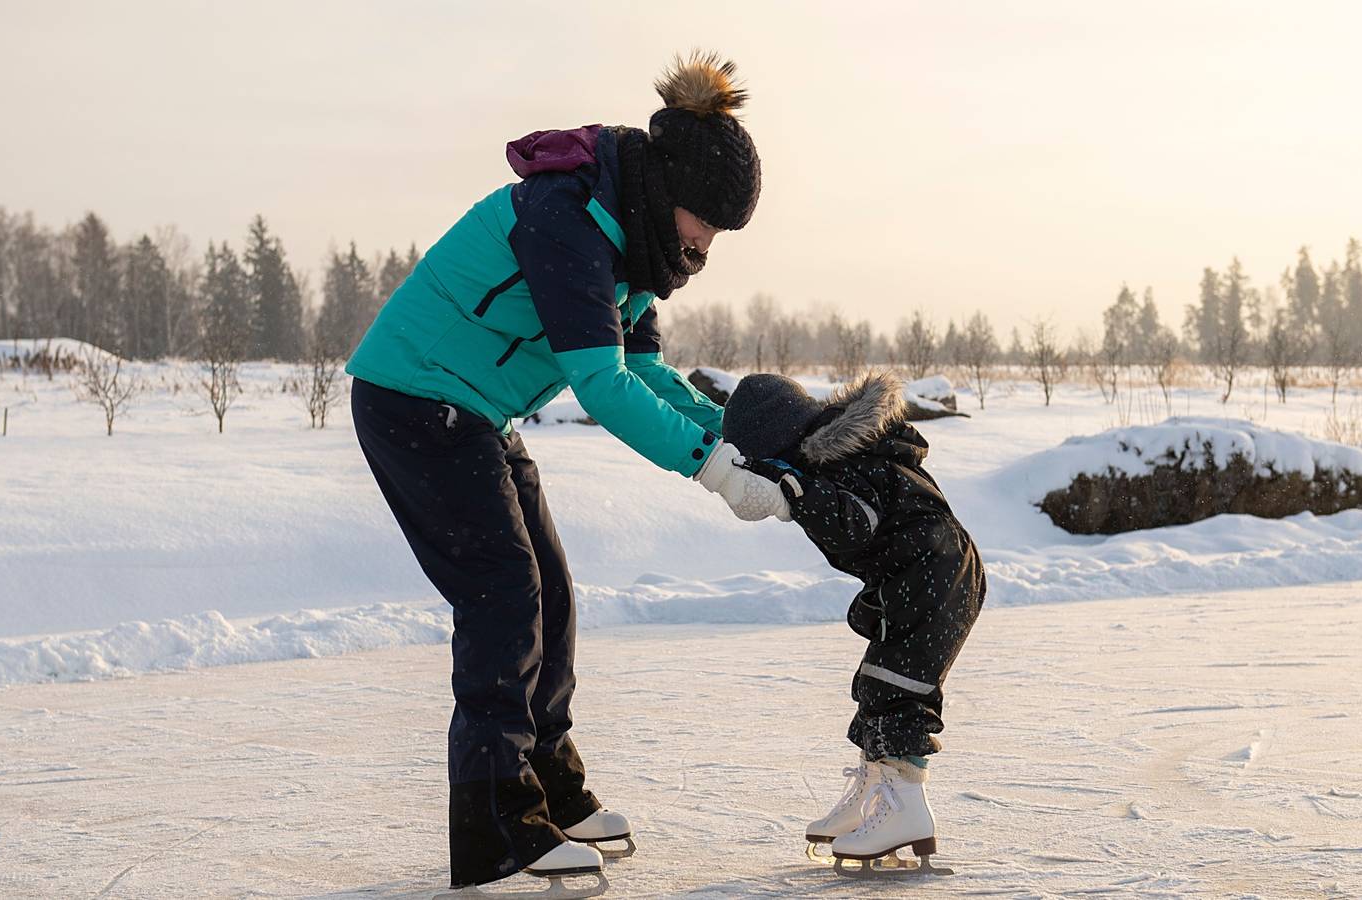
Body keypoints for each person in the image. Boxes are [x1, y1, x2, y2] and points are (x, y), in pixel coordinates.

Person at [346, 52, 788, 893]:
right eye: (706, 223)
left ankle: (549, 783)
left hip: (475, 409)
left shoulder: (632, 240)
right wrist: (716, 472)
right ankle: (495, 821)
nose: (704, 245)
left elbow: (651, 373)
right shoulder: (569, 220)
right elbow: (602, 383)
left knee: (548, 585)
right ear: (671, 190)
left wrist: (734, 436)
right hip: (415, 399)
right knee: (504, 592)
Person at [719, 370, 986, 873]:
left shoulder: (844, 464)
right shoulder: (848, 450)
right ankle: (873, 797)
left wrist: (794, 495)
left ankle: (906, 808)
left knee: (897, 689)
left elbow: (854, 524)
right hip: (924, 573)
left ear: (783, 442)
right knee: (874, 684)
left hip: (932, 575)